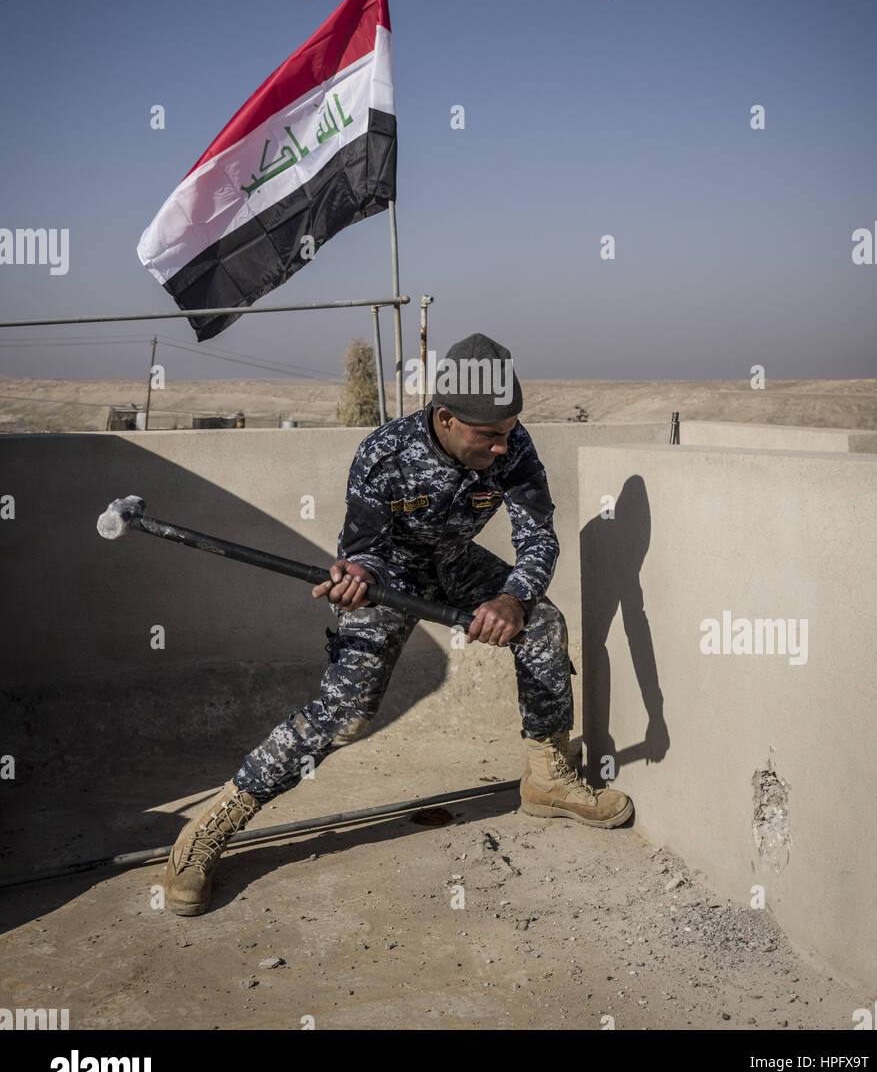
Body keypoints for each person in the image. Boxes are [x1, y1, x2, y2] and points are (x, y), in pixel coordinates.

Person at [163, 332, 633, 915]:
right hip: (388, 576)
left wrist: (512, 598)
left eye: (509, 431)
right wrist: (357, 577)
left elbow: (537, 535)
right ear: (445, 418)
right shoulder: (384, 452)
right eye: (488, 435)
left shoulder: (512, 445)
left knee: (542, 624)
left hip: (456, 562)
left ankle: (547, 778)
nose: (501, 447)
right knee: (348, 716)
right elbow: (363, 548)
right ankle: (210, 829)